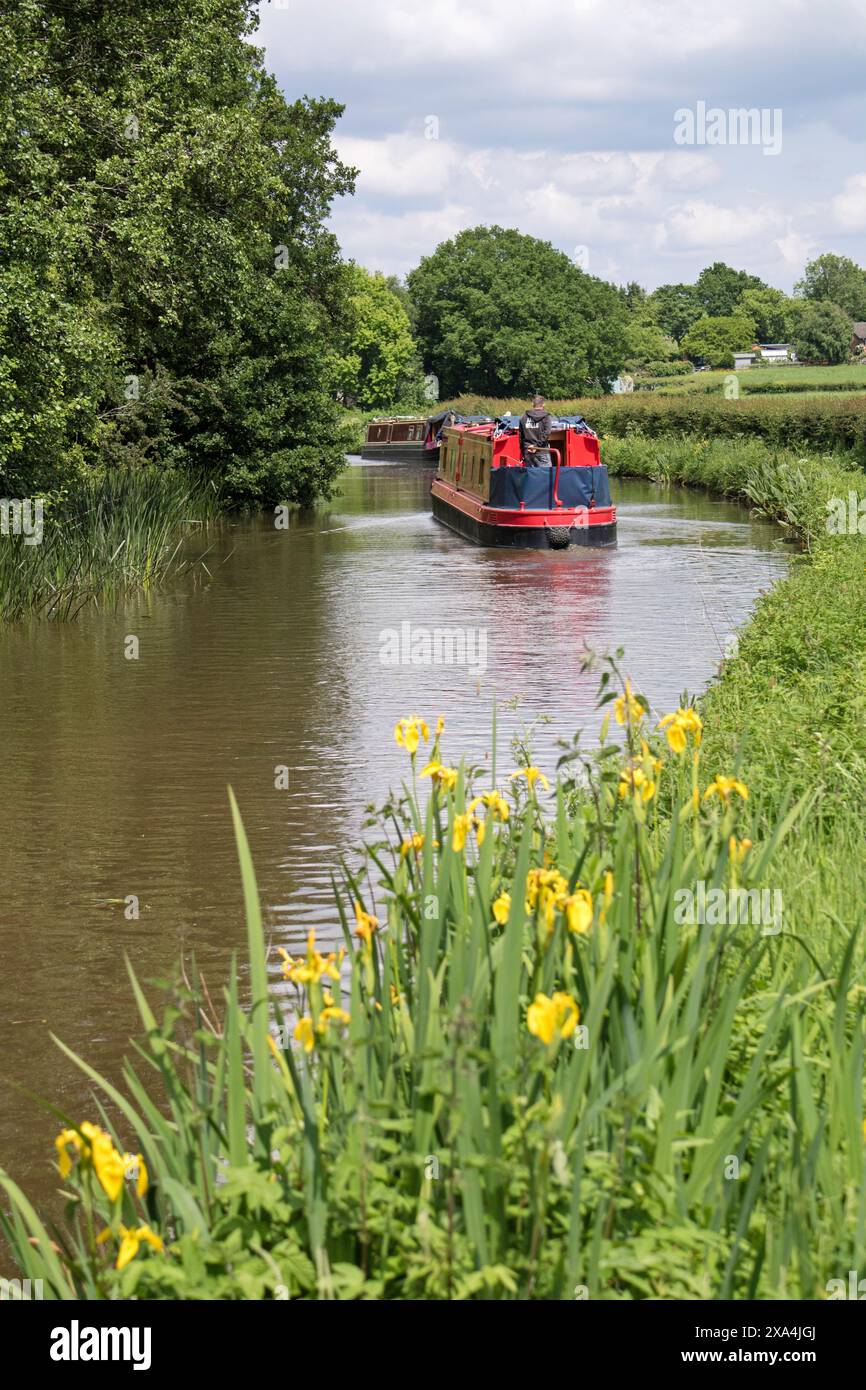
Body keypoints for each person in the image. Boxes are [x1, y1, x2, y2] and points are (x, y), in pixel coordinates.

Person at [519, 395, 552, 466]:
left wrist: (523, 452)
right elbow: (546, 433)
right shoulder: (546, 417)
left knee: (531, 475)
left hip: (528, 451)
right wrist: (536, 446)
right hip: (542, 451)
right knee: (546, 475)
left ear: (532, 404)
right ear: (543, 404)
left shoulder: (523, 417)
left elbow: (521, 437)